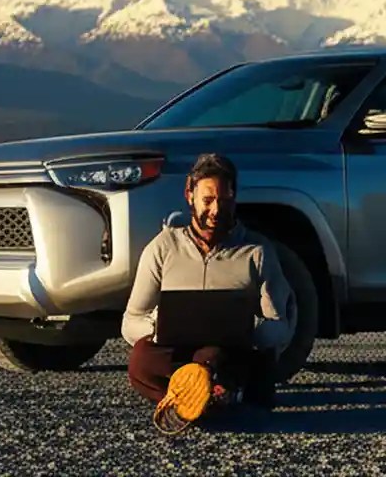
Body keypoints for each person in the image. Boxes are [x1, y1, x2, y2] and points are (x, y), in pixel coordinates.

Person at [121, 153, 296, 433]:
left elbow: (280, 328)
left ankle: (192, 398)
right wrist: (157, 325)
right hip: (177, 355)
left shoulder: (257, 251)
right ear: (189, 195)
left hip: (228, 354)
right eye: (208, 200)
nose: (216, 210)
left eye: (225, 201)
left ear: (234, 198)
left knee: (223, 358)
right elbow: (131, 321)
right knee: (142, 361)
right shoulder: (163, 247)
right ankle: (210, 395)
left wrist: (249, 328)